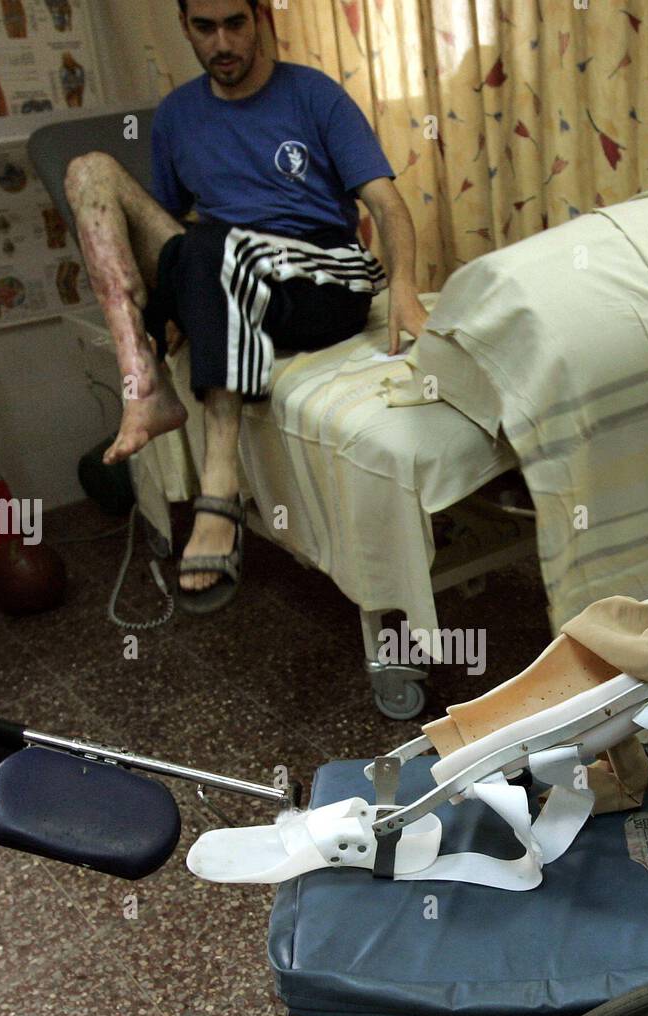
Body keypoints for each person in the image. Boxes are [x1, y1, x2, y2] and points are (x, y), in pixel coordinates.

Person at [65, 0, 427, 612]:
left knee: (211, 246)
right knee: (88, 171)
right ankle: (142, 382)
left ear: (261, 18)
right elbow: (175, 225)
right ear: (185, 28)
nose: (222, 41)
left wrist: (408, 289)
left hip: (319, 282)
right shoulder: (178, 115)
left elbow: (386, 204)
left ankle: (220, 488)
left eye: (236, 23)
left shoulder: (314, 95)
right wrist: (179, 305)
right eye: (204, 27)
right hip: (227, 268)